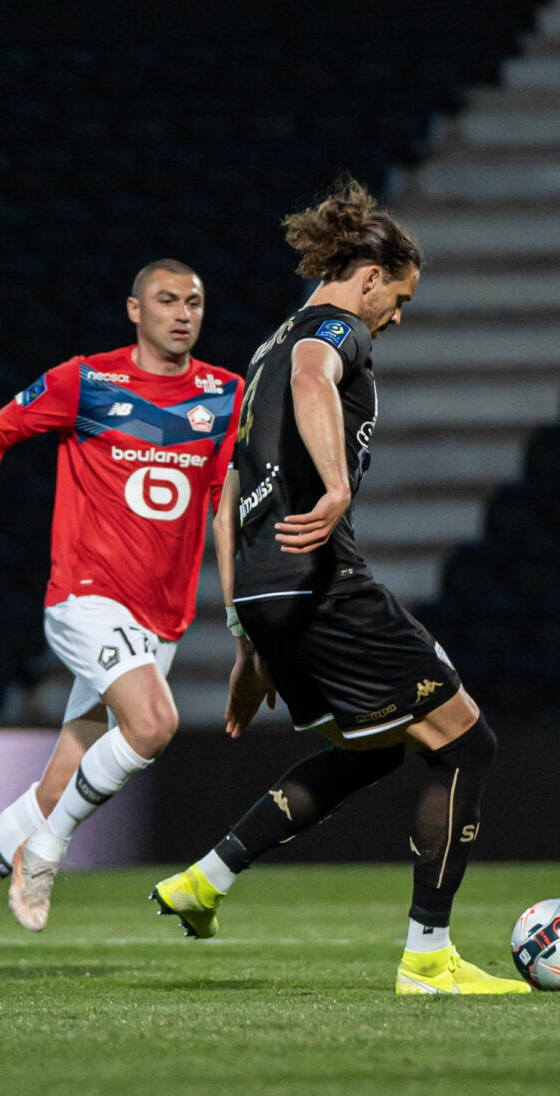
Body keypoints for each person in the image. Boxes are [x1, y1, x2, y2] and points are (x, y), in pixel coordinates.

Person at [150, 179, 525, 995]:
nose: (397, 317)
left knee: (375, 746)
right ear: (367, 276)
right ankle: (429, 957)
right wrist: (338, 491)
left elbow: (226, 497)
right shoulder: (330, 328)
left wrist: (246, 632)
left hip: (264, 589)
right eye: (399, 297)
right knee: (466, 743)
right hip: (322, 581)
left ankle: (207, 877)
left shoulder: (263, 349)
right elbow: (319, 380)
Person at [0, 261, 241, 980]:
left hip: (162, 620)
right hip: (85, 596)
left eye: (195, 303)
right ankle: (49, 850)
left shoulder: (224, 394)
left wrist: (241, 623)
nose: (182, 313)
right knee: (153, 726)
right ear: (133, 309)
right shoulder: (86, 382)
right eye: (166, 300)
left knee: (61, 781)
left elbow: (222, 511)